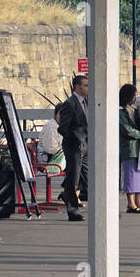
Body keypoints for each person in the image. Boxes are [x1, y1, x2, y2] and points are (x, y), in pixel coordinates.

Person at [57, 73, 89, 221]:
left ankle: (68, 195)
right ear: (77, 87)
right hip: (74, 145)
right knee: (73, 177)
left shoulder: (87, 102)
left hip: (86, 144)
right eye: (85, 85)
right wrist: (76, 137)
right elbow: (62, 128)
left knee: (87, 176)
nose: (88, 88)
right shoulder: (69, 104)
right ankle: (72, 210)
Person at [119, 84, 140, 213]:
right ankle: (131, 203)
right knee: (131, 175)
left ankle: (138, 201)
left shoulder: (135, 110)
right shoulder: (120, 111)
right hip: (129, 147)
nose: (135, 97)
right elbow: (126, 129)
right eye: (133, 95)